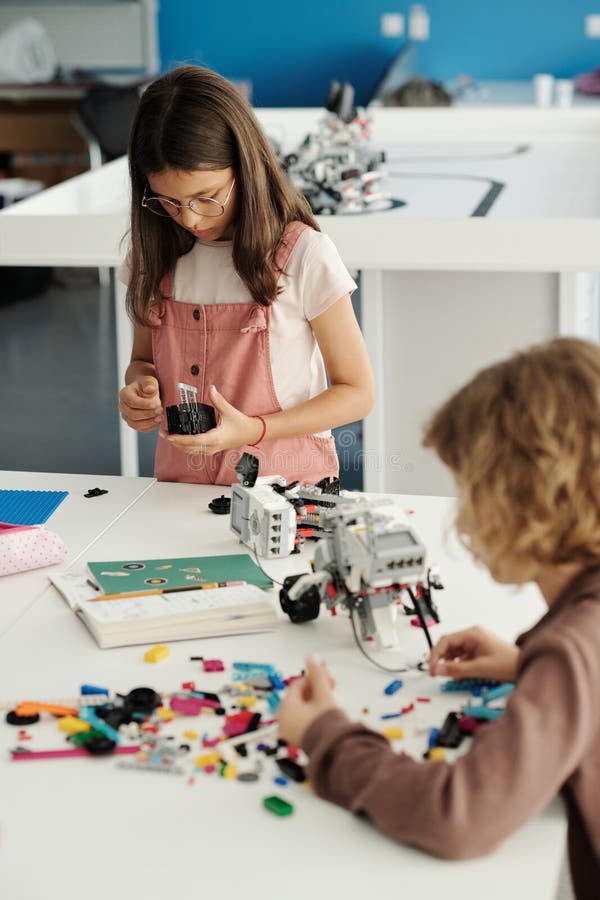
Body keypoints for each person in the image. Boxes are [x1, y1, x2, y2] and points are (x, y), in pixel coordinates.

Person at [278, 337, 600, 899]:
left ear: (525, 500)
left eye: (470, 490)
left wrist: (326, 737)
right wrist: (529, 664)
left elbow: (460, 816)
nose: (462, 515)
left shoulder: (575, 648)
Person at [117, 66, 374, 486]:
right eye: (168, 201)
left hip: (287, 491)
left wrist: (255, 429)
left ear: (246, 167)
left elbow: (357, 392)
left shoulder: (304, 255)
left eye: (207, 197)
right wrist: (140, 391)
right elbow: (142, 362)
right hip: (181, 491)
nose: (190, 219)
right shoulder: (153, 255)